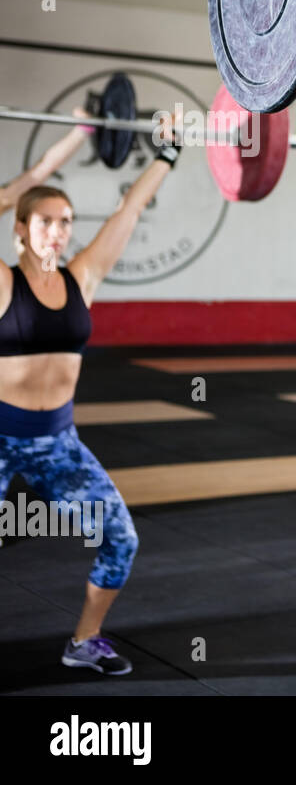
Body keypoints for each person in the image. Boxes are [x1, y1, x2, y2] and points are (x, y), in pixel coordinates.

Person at [0, 110, 181, 675]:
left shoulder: (83, 277)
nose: (57, 230)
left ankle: (84, 641)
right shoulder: (4, 282)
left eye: (65, 220)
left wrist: (168, 153)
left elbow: (128, 211)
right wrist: (59, 153)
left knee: (121, 538)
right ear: (21, 229)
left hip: (59, 442)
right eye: (45, 220)